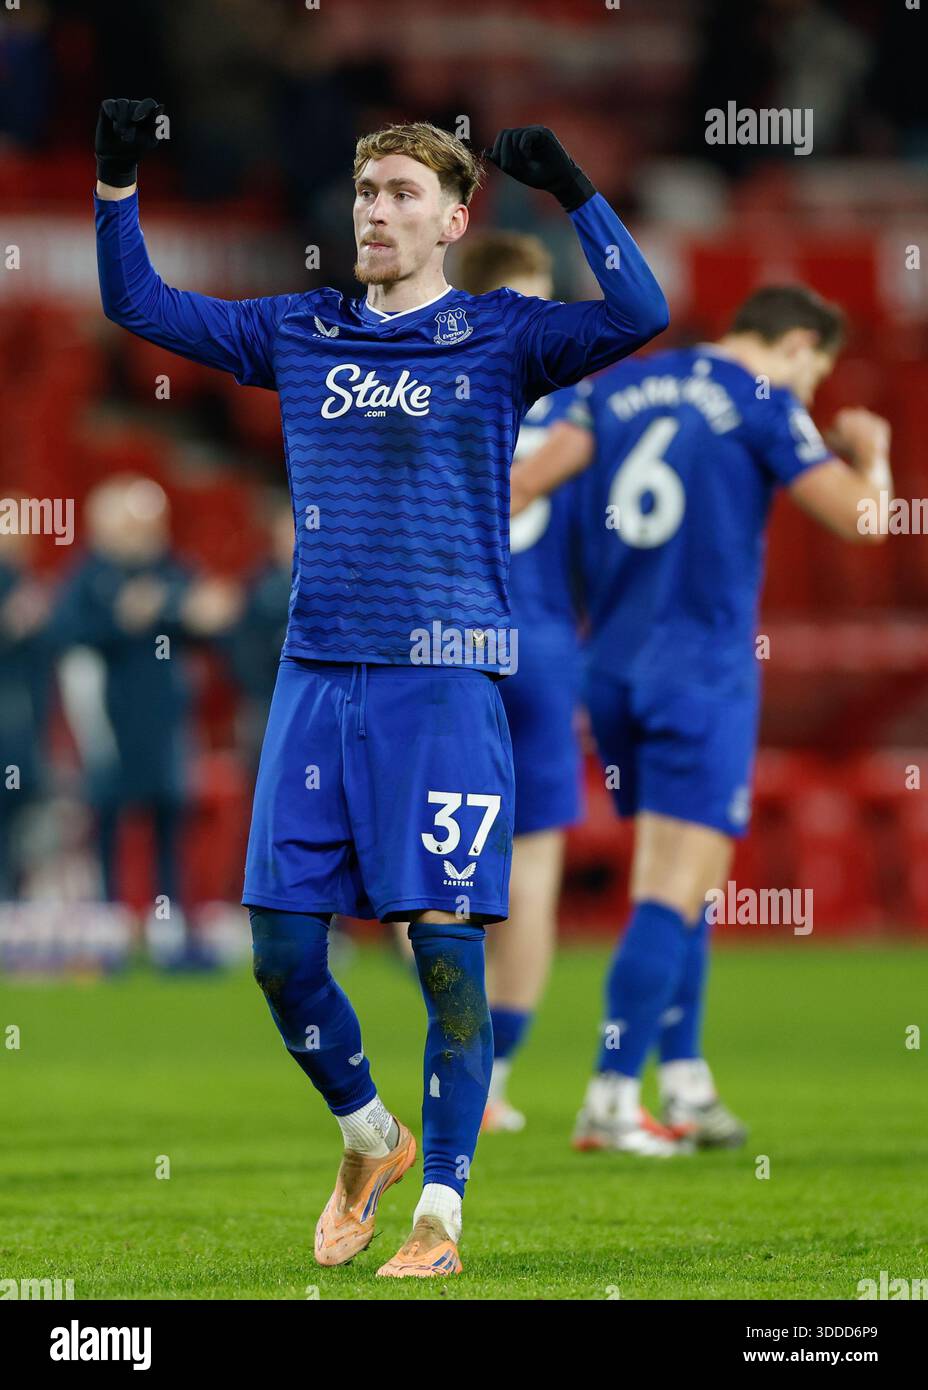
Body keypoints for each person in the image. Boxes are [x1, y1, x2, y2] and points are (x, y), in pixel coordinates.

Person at [93, 100, 668, 1275]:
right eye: (367, 194)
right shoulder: (301, 331)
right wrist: (114, 184)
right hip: (317, 678)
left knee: (442, 947)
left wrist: (573, 190)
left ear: (454, 219)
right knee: (281, 954)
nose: (377, 212)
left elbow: (640, 312)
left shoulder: (505, 334)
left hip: (447, 688)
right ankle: (369, 1135)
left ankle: (442, 1213)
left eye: (404, 196)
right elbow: (138, 304)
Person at [510, 285, 892, 1154]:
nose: (811, 388)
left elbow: (523, 486)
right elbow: (865, 521)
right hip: (701, 675)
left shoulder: (613, 388)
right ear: (797, 344)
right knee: (673, 887)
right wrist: (876, 455)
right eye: (816, 371)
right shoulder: (762, 402)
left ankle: (682, 1081)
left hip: (610, 670)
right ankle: (611, 1096)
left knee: (681, 878)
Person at [453, 232, 585, 1133]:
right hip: (540, 641)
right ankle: (496, 1079)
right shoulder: (575, 397)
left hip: (443, 643)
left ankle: (454, 1057)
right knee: (532, 871)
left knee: (429, 865)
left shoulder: (427, 375)